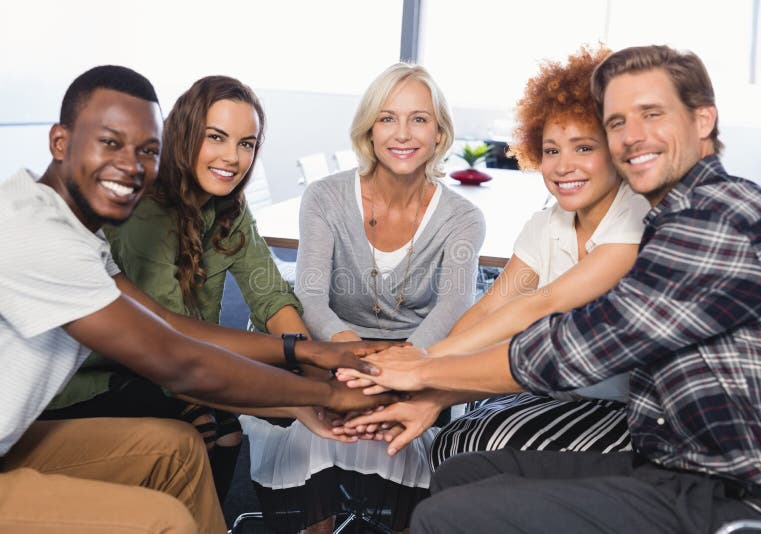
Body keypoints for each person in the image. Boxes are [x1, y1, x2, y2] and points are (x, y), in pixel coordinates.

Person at [346, 45, 761, 532]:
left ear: (703, 121)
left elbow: (573, 346)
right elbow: (505, 304)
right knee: (464, 472)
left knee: (445, 516)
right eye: (618, 122)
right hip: (678, 463)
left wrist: (424, 371)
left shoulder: (713, 220)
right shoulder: (679, 215)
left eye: (652, 114)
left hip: (749, 490)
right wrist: (431, 386)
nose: (632, 136)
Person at [0, 65, 395, 534]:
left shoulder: (77, 234)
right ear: (60, 142)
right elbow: (178, 361)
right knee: (163, 517)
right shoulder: (34, 232)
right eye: (110, 142)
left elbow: (172, 327)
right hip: (98, 389)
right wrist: (325, 393)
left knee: (178, 449)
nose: (132, 165)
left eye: (147, 150)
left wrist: (311, 351)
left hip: (14, 438)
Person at [339, 46, 650, 466]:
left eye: (584, 148)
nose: (563, 166)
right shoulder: (547, 226)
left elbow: (543, 302)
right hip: (560, 388)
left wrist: (424, 363)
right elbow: (492, 306)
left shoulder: (637, 216)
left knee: (470, 453)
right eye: (552, 150)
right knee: (453, 444)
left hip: (641, 411)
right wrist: (427, 390)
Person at [242, 62, 485, 533]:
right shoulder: (325, 198)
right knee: (318, 431)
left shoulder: (464, 218)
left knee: (407, 438)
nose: (403, 133)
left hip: (417, 354)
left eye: (419, 118)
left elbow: (454, 305)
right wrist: (350, 359)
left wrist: (400, 368)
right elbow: (310, 296)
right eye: (388, 117)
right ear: (369, 130)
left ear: (439, 134)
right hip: (330, 348)